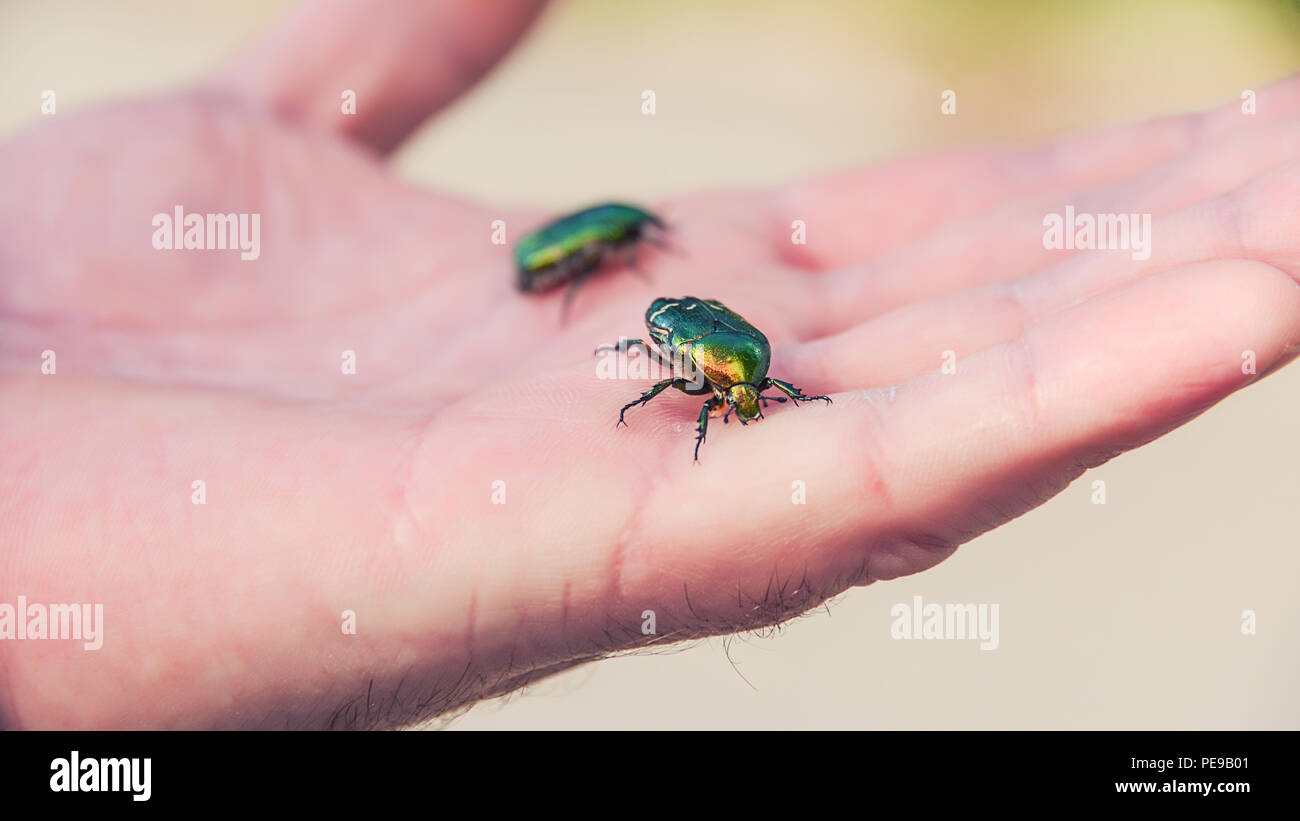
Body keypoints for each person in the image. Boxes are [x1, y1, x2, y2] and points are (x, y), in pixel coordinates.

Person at [1, 0, 1296, 729]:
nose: (738, 407)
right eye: (729, 399)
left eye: (736, 398)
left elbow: (736, 362)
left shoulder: (734, 362)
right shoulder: (677, 337)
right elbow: (681, 344)